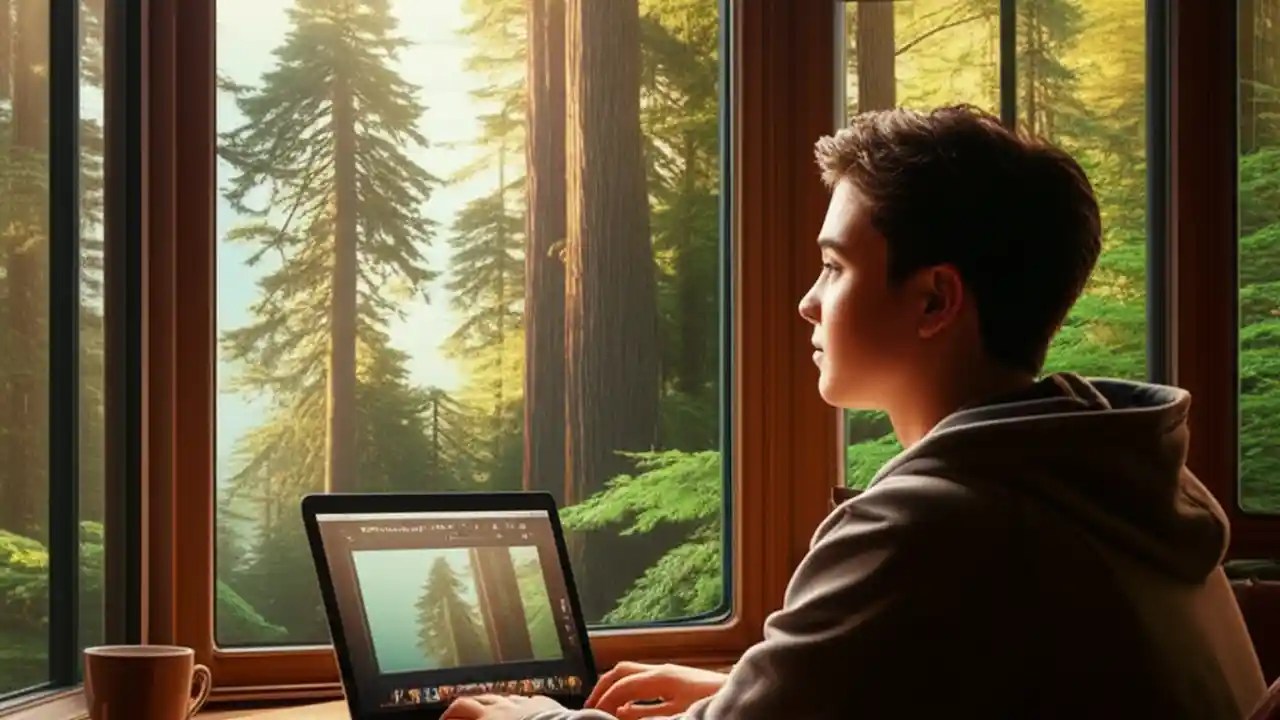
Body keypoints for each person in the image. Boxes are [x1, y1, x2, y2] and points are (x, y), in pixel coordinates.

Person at [443, 105, 1267, 720]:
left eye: (834, 268)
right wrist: (751, 689)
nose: (807, 303)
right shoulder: (1121, 489)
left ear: (936, 298)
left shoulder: (931, 523)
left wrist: (541, 718)